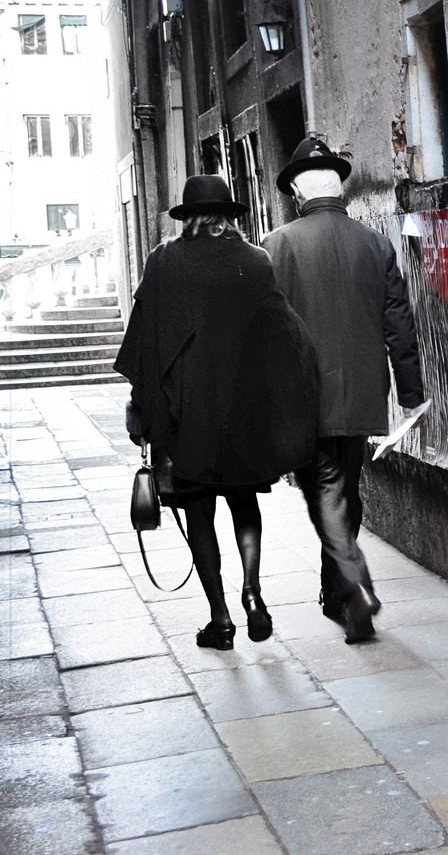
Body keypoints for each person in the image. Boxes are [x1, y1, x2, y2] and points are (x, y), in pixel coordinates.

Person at [116, 175, 318, 650]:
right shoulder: (255, 261)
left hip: (187, 419)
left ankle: (221, 619)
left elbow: (144, 343)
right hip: (242, 412)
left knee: (200, 515)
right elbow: (287, 337)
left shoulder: (164, 263)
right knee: (244, 503)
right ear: (228, 216)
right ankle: (252, 591)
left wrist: (141, 409)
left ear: (189, 218)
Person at [264, 138, 426, 644]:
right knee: (344, 491)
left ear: (296, 193)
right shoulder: (375, 244)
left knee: (326, 495)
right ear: (340, 190)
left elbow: (265, 334)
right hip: (361, 396)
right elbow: (399, 325)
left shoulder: (275, 247)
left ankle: (356, 588)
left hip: (307, 400)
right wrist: (411, 392)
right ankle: (337, 594)